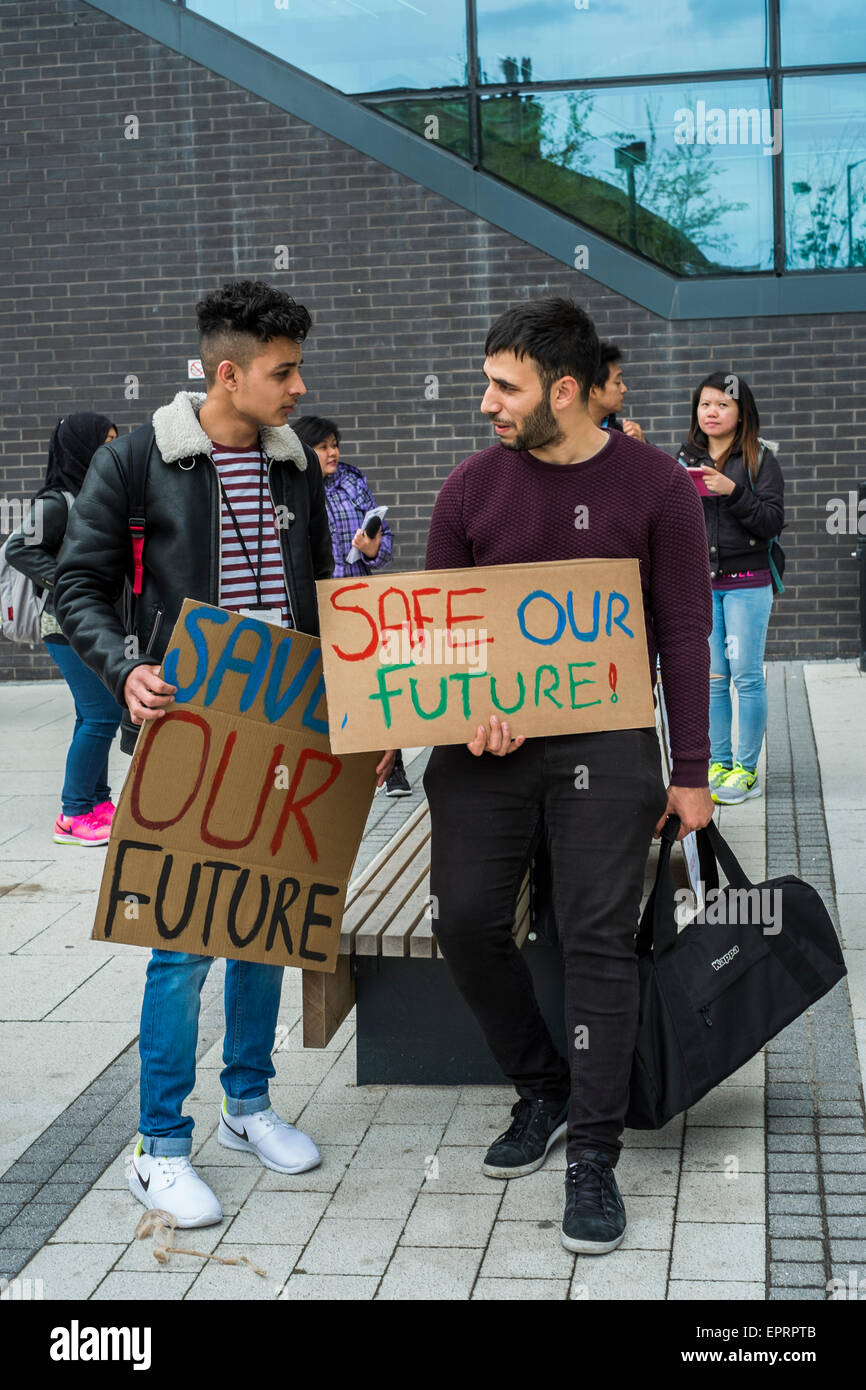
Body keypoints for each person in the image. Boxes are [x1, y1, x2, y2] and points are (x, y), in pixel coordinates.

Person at [54, 280, 394, 1228]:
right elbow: (77, 586)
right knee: (185, 943)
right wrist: (124, 670)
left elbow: (328, 598)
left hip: (286, 727)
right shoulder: (137, 459)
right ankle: (157, 1146)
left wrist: (358, 716)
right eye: (284, 372)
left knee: (268, 926)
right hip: (186, 734)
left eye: (299, 370)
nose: (299, 388)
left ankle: (246, 1106)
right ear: (229, 371)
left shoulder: (295, 469)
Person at [422, 297, 713, 1256]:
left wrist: (692, 771)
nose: (485, 403)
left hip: (609, 749)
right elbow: (434, 639)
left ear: (567, 390)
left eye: (504, 387)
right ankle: (541, 1086)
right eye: (486, 382)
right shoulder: (469, 490)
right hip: (485, 755)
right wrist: (462, 703)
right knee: (464, 922)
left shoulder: (657, 486)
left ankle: (594, 1150)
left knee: (594, 939)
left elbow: (682, 633)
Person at [5, 413, 123, 847]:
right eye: (103, 443)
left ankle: (97, 802)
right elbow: (17, 548)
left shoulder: (94, 493)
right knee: (104, 714)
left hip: (90, 620)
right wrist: (69, 579)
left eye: (115, 441)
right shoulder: (57, 502)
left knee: (92, 713)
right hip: (66, 622)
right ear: (80, 448)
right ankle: (72, 813)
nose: (111, 451)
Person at [676, 372, 785, 806]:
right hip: (704, 583)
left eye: (722, 404)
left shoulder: (759, 458)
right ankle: (718, 764)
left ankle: (746, 770)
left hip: (748, 584)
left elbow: (772, 521)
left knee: (746, 675)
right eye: (705, 405)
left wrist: (732, 490)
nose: (712, 412)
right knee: (714, 678)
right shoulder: (685, 457)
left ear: (741, 412)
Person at [294, 414, 411, 797]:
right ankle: (336, 770)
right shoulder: (293, 485)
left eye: (335, 444)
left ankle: (395, 768)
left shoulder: (352, 481)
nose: (333, 452)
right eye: (323, 446)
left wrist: (373, 550)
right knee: (327, 686)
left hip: (359, 599)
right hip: (319, 601)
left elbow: (385, 538)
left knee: (376, 680)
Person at [587, 342, 645, 440]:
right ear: (593, 391)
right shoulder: (560, 436)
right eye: (617, 382)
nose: (624, 389)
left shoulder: (624, 436)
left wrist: (642, 447)